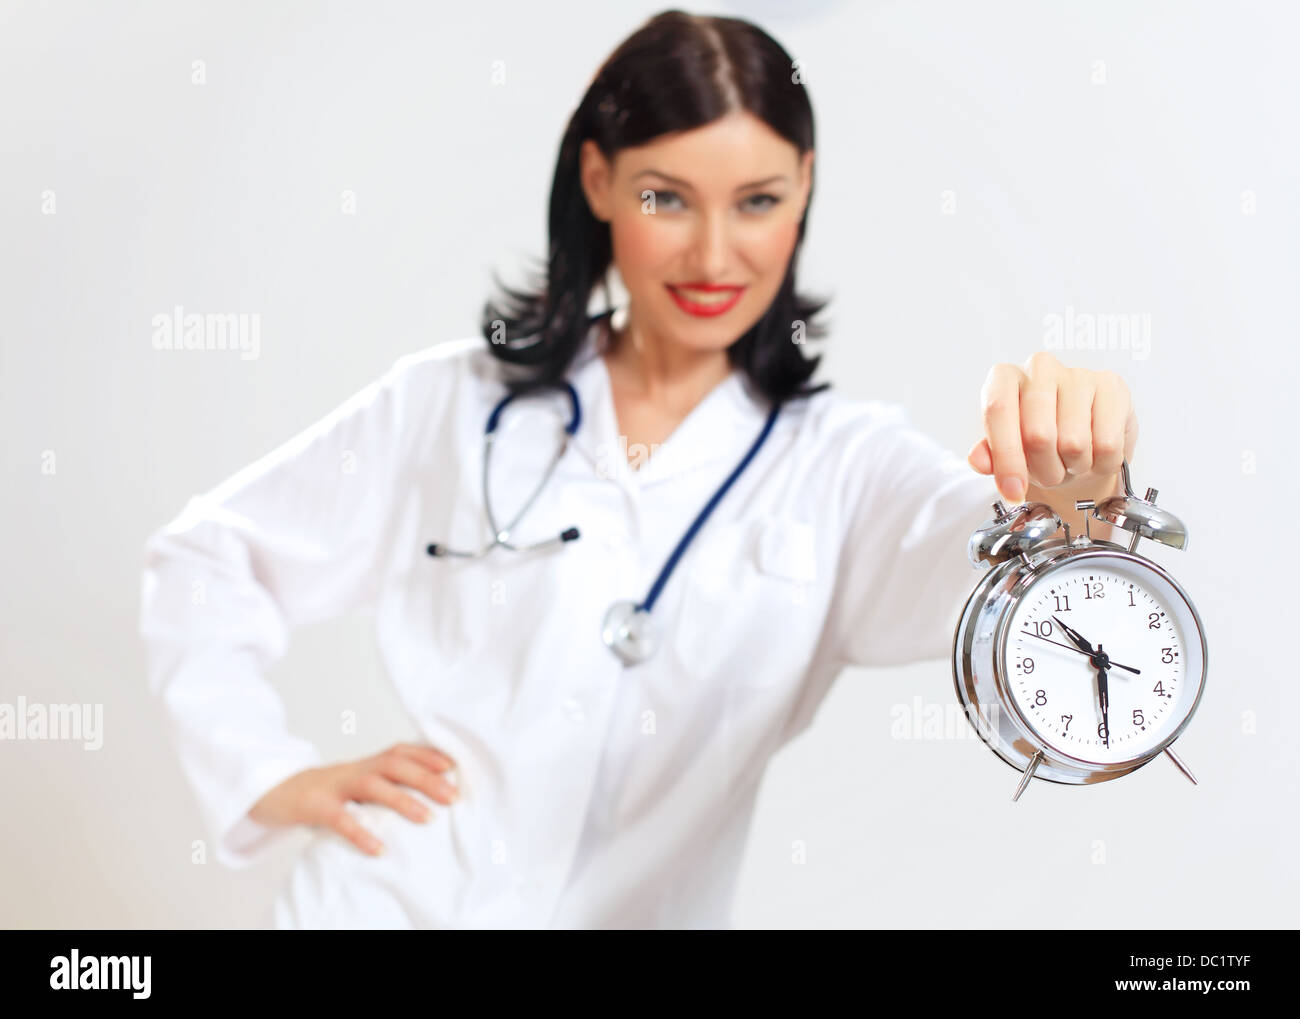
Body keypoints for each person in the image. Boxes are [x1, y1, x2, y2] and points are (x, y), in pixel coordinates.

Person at [138, 10, 1137, 929]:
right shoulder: (449, 402)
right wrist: (264, 771)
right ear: (598, 181)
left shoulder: (845, 469)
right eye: (666, 196)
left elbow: (1025, 621)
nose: (713, 254)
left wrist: (1076, 497)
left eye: (757, 200)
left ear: (804, 192)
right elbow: (204, 558)